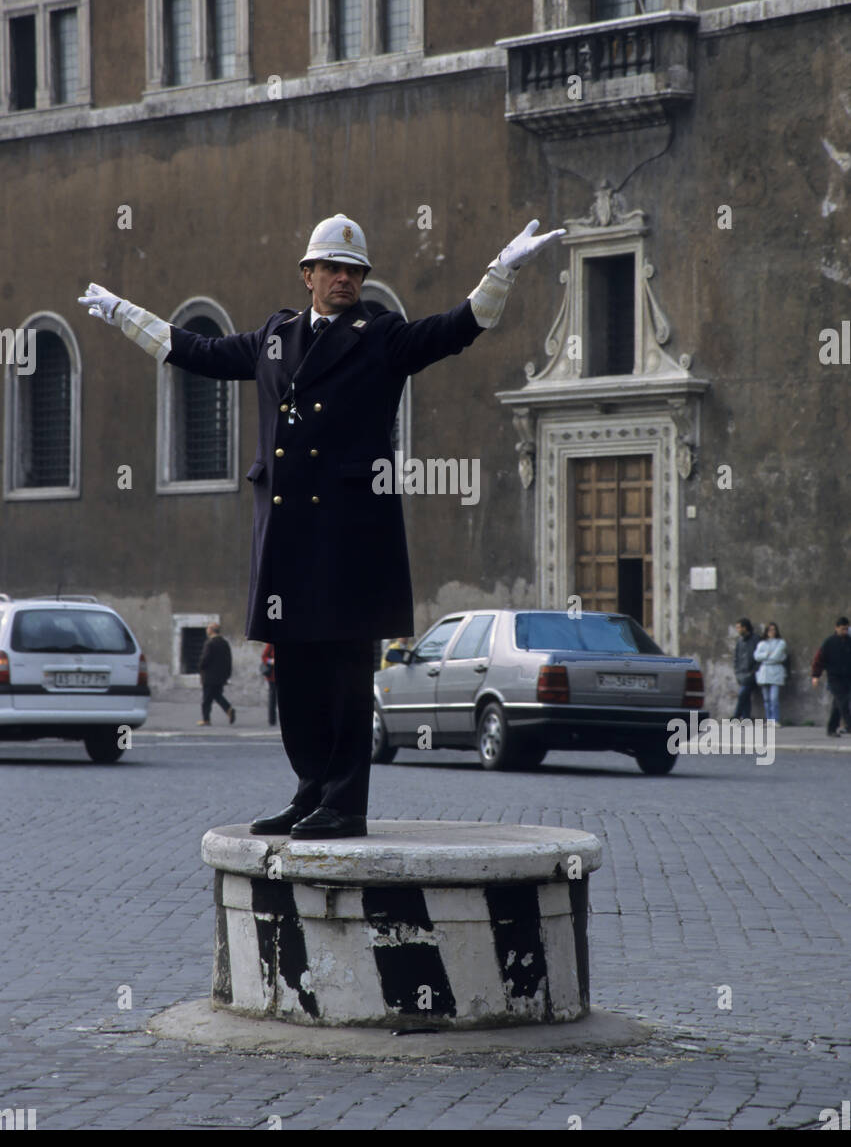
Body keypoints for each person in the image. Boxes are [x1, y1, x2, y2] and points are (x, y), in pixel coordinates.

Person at [79, 212, 564, 838]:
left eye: (355, 271)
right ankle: (309, 790)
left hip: (348, 538)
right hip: (286, 538)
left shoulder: (381, 336)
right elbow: (196, 352)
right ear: (307, 274)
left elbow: (455, 329)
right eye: (333, 268)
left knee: (343, 674)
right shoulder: (274, 337)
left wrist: (501, 271)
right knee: (300, 673)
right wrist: (125, 314)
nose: (345, 279)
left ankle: (346, 803)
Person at [811, 616, 851, 736]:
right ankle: (849, 725)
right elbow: (819, 659)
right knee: (843, 701)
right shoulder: (829, 642)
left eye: (847, 629)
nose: (845, 631)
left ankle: (831, 729)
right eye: (843, 629)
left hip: (847, 677)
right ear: (836, 628)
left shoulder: (849, 641)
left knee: (837, 704)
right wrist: (815, 676)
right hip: (834, 678)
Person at [198, 623, 235, 727]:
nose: (206, 630)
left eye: (208, 628)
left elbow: (205, 659)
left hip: (209, 676)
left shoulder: (210, 643)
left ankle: (206, 719)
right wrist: (227, 674)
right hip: (221, 676)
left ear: (212, 630)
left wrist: (200, 667)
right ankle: (229, 709)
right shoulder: (224, 643)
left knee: (206, 699)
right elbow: (229, 660)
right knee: (217, 695)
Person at [754, 621, 787, 726]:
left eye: (773, 630)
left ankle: (775, 720)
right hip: (764, 673)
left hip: (776, 672)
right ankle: (769, 720)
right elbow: (756, 656)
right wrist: (767, 654)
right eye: (769, 630)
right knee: (766, 699)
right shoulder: (762, 643)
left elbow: (776, 657)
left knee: (774, 698)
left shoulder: (781, 642)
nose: (771, 632)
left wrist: (765, 657)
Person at [732, 617, 758, 719]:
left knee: (742, 694)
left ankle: (736, 716)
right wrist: (737, 671)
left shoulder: (756, 639)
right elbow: (736, 658)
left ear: (745, 628)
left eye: (739, 627)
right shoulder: (739, 641)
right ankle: (746, 718)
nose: (737, 630)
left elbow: (759, 657)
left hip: (752, 674)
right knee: (745, 697)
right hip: (741, 674)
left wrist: (754, 671)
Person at [261, 643, 276, 726]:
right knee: (272, 698)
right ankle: (272, 720)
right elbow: (264, 657)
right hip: (272, 677)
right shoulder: (271, 644)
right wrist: (271, 661)